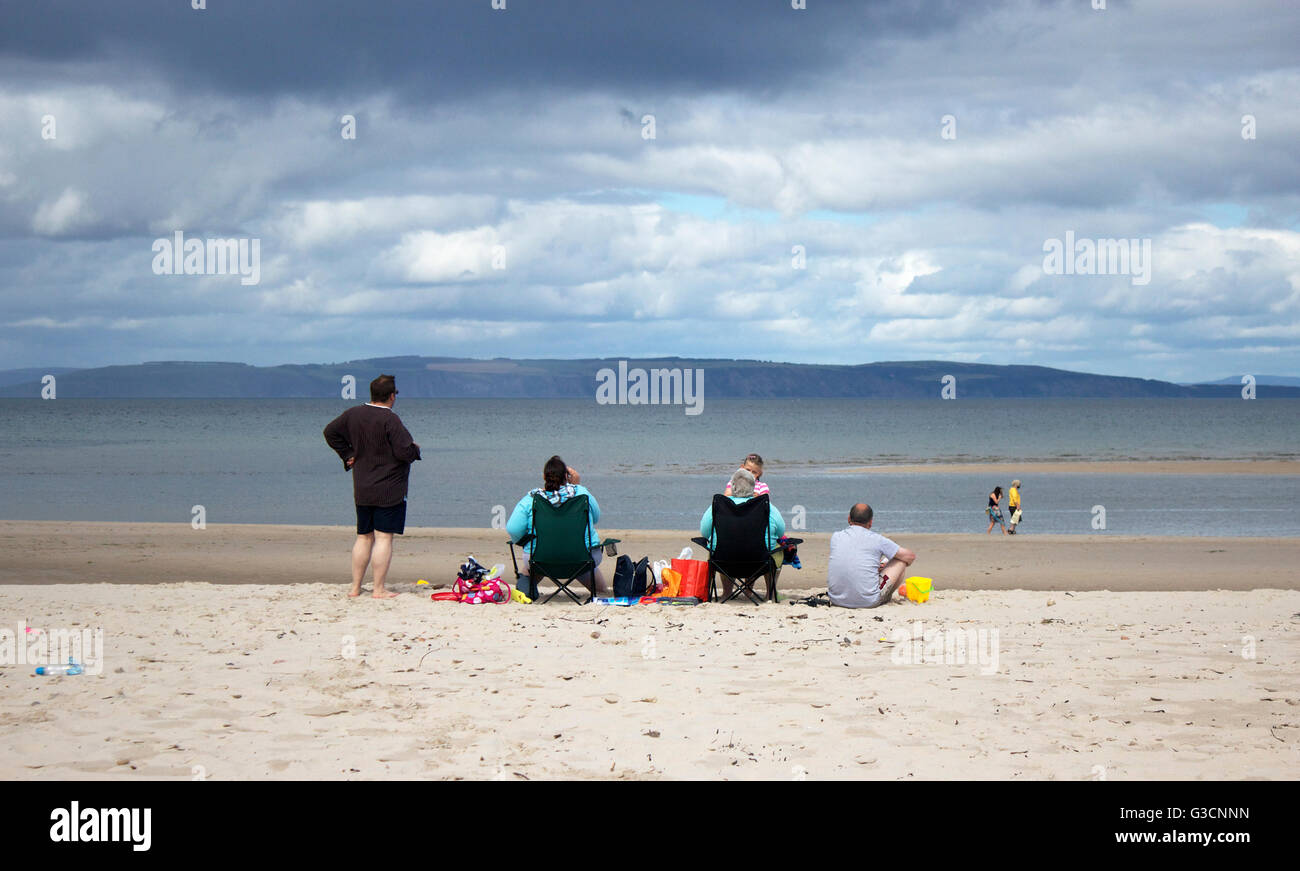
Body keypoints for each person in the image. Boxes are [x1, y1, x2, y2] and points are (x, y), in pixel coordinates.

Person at [323, 374, 422, 598]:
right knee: (384, 537)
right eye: (395, 394)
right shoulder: (390, 419)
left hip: (363, 485)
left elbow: (330, 432)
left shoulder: (353, 413)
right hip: (389, 487)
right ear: (391, 396)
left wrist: (347, 453)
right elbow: (404, 451)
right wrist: (416, 449)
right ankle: (378, 588)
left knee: (364, 536)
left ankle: (355, 587)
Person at [507, 456, 608, 599]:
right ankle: (599, 589)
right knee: (601, 588)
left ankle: (526, 584)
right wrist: (578, 485)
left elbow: (513, 529)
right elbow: (596, 518)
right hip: (582, 559)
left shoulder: (532, 499)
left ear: (544, 476)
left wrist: (523, 541)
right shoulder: (582, 494)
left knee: (532, 563)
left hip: (541, 559)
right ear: (567, 477)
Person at [701, 469, 785, 598]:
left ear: (732, 487)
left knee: (719, 546)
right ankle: (770, 594)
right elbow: (780, 532)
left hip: (723, 561)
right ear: (753, 487)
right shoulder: (766, 506)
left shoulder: (718, 506)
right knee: (777, 549)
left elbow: (705, 532)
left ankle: (727, 592)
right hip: (760, 562)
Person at [826, 503, 917, 608]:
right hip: (868, 602)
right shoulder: (877, 540)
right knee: (900, 560)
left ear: (848, 518)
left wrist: (874, 568)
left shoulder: (836, 537)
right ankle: (886, 597)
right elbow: (910, 557)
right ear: (870, 522)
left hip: (836, 600)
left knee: (879, 561)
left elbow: (853, 558)